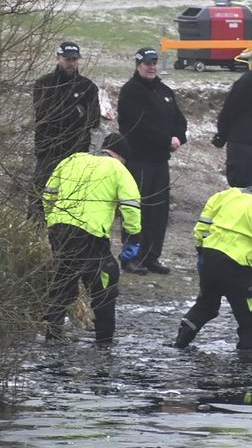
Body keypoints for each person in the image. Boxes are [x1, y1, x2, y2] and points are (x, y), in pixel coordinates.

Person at [41, 133, 142, 344]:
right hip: (90, 233)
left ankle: (52, 333)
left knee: (63, 279)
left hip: (59, 229)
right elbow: (131, 205)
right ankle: (104, 341)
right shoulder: (117, 169)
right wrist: (133, 235)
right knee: (105, 281)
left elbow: (49, 193)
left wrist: (52, 220)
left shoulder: (72, 160)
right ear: (121, 156)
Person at [174, 165, 252, 351]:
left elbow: (202, 227)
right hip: (236, 267)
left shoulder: (226, 195)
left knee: (206, 306)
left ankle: (179, 343)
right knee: (251, 318)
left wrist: (201, 253)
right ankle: (246, 366)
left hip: (210, 259)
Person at [116, 47, 188, 276]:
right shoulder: (130, 91)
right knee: (136, 210)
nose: (151, 67)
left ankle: (151, 256)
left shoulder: (164, 90)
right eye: (147, 63)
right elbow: (139, 126)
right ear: (138, 65)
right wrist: (165, 140)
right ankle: (131, 257)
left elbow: (179, 120)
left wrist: (178, 137)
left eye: (154, 63)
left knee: (158, 212)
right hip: (138, 159)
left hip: (160, 161)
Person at [31, 41, 102, 219]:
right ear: (58, 58)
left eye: (75, 59)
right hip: (48, 151)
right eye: (67, 59)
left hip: (76, 153)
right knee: (39, 196)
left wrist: (72, 114)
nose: (71, 63)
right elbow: (46, 116)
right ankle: (33, 233)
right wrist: (76, 111)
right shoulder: (44, 84)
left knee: (72, 199)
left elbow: (93, 120)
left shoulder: (88, 87)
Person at [211, 40, 252, 188]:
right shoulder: (246, 82)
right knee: (243, 189)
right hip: (242, 146)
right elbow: (228, 111)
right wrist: (222, 136)